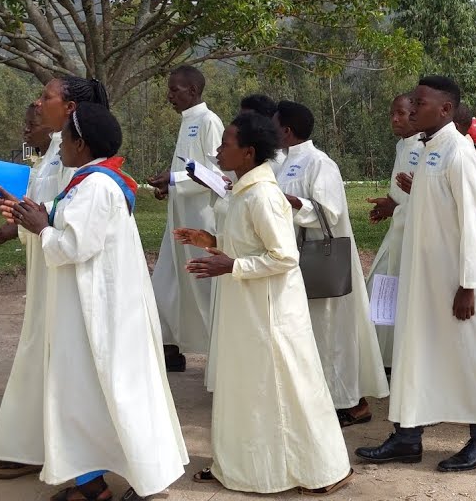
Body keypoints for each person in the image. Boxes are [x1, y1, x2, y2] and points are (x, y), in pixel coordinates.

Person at [1, 102, 188, 499]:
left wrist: (41, 227)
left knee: (120, 394)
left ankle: (149, 483)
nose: (60, 145)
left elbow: (75, 246)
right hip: (85, 312)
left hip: (105, 316)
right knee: (81, 398)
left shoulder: (98, 186)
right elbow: (65, 219)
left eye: (65, 138)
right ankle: (92, 483)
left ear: (80, 144)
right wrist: (29, 213)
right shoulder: (88, 183)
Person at [356, 76, 476, 472]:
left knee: (472, 355)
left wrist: (468, 286)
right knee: (419, 353)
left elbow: (475, 224)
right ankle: (408, 437)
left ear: (444, 110)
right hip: (426, 279)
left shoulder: (458, 153)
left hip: (457, 282)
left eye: (420, 102)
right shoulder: (428, 150)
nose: (413, 107)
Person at [174, 113, 353, 494]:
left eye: (225, 144)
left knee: (289, 390)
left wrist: (232, 264)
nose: (218, 151)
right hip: (247, 308)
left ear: (248, 152)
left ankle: (322, 470)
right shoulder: (243, 191)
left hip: (270, 313)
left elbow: (284, 256)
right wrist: (211, 240)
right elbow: (247, 243)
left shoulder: (264, 195)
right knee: (249, 389)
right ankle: (241, 467)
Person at [0, 77, 109, 480]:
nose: (37, 104)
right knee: (37, 348)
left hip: (60, 265)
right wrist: (17, 214)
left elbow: (63, 214)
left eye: (46, 97)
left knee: (48, 353)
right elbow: (46, 208)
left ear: (70, 107)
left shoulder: (73, 152)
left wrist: (31, 220)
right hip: (45, 263)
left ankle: (34, 446)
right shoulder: (56, 150)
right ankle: (33, 442)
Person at [274, 101, 389, 425]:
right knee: (307, 331)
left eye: (273, 125)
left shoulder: (320, 163)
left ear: (286, 130)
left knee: (330, 333)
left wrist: (292, 203)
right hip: (295, 257)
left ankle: (350, 403)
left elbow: (331, 210)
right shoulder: (284, 163)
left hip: (321, 260)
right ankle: (316, 399)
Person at [149, 66, 225, 372]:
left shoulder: (209, 122)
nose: (169, 96)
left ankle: (219, 353)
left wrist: (175, 179)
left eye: (174, 90)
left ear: (192, 91)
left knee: (203, 287)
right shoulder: (187, 123)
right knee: (165, 282)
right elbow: (186, 172)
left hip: (201, 221)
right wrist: (168, 186)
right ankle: (169, 347)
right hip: (178, 218)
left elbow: (215, 174)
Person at [366, 93, 424, 369]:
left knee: (396, 292)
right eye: (392, 114)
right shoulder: (403, 146)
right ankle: (387, 359)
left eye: (401, 113)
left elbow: (426, 197)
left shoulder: (423, 147)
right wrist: (388, 206)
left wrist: (395, 206)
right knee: (383, 290)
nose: (395, 119)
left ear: (415, 114)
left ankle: (397, 361)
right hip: (398, 229)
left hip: (414, 234)